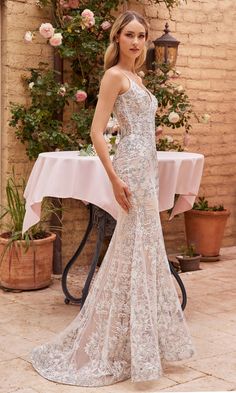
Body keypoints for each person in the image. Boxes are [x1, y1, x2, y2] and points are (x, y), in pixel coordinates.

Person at [31, 10, 196, 387]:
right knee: (136, 247)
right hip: (131, 171)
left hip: (145, 166)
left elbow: (128, 125)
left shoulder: (137, 77)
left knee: (143, 249)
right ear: (117, 39)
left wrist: (132, 145)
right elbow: (95, 132)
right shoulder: (113, 76)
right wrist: (115, 178)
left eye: (141, 36)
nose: (136, 43)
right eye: (129, 35)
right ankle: (127, 345)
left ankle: (138, 342)